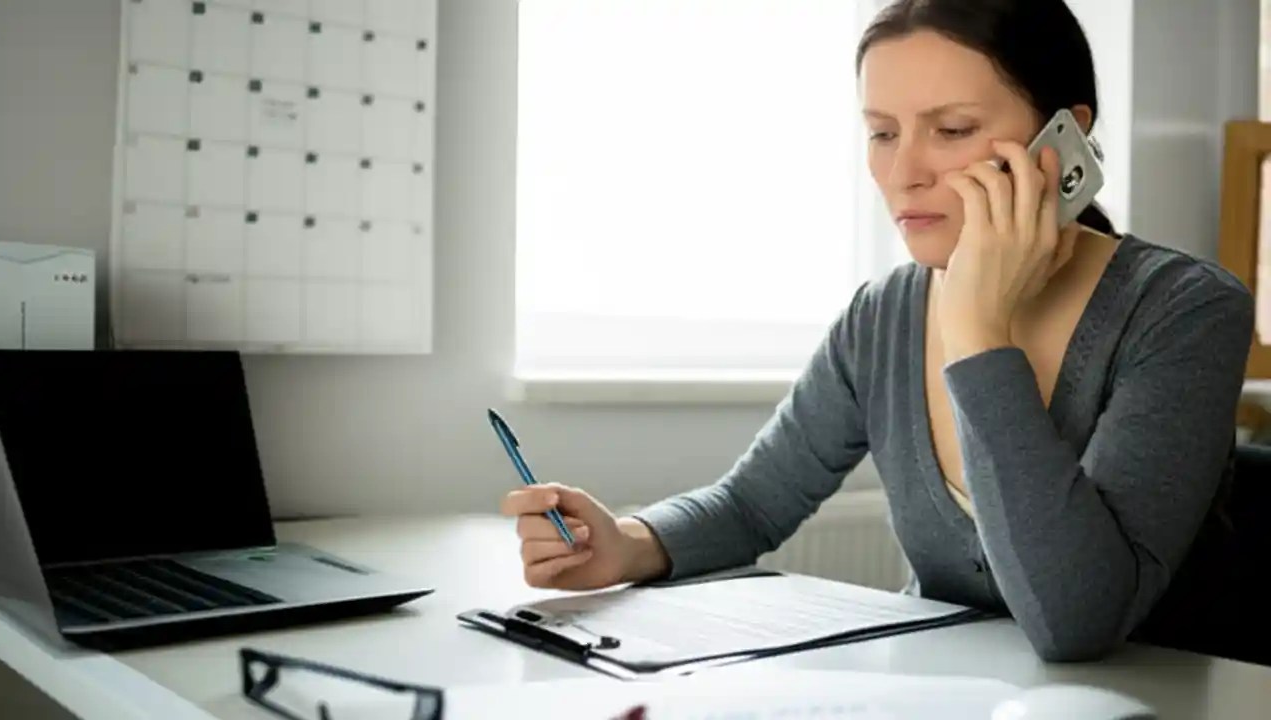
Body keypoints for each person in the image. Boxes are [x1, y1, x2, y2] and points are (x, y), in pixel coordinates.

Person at [500, 0, 1256, 663]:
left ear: (1062, 145)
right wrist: (626, 544)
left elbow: (1076, 623)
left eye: (952, 129)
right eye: (882, 132)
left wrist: (978, 330)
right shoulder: (883, 315)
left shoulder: (1185, 311)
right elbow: (753, 505)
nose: (904, 173)